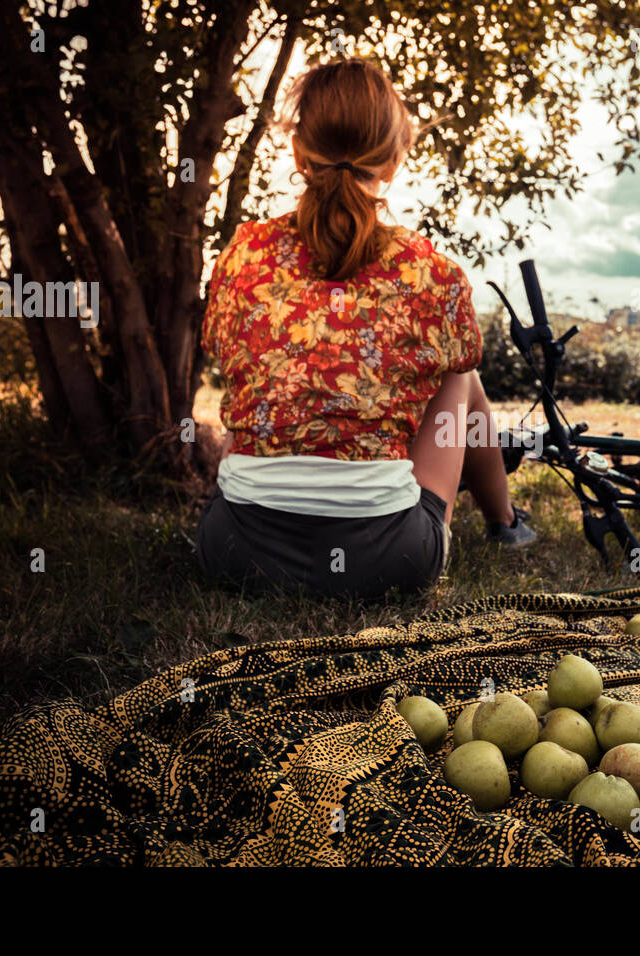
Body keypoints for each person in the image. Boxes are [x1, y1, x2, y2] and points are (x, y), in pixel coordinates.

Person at [196, 58, 536, 600]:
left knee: (262, 367)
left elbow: (233, 363)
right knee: (460, 378)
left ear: (298, 154)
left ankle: (269, 499)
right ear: (395, 161)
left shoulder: (244, 254)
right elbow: (453, 368)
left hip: (235, 551)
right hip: (388, 559)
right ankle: (506, 523)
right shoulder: (431, 271)